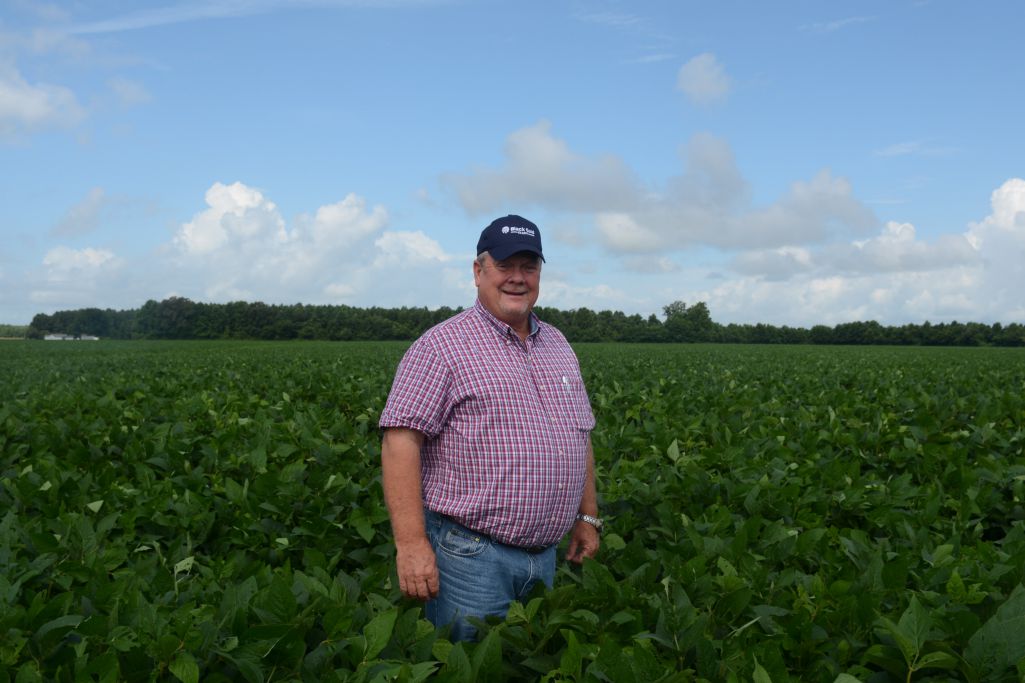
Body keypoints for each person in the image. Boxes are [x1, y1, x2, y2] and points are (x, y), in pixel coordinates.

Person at [378, 214, 602, 641]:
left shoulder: (558, 344)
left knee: (525, 662)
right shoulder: (441, 346)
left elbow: (580, 433)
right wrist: (410, 544)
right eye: (504, 266)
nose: (517, 278)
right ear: (478, 272)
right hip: (469, 558)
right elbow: (399, 442)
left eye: (529, 266)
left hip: (545, 558)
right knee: (468, 666)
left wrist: (587, 516)